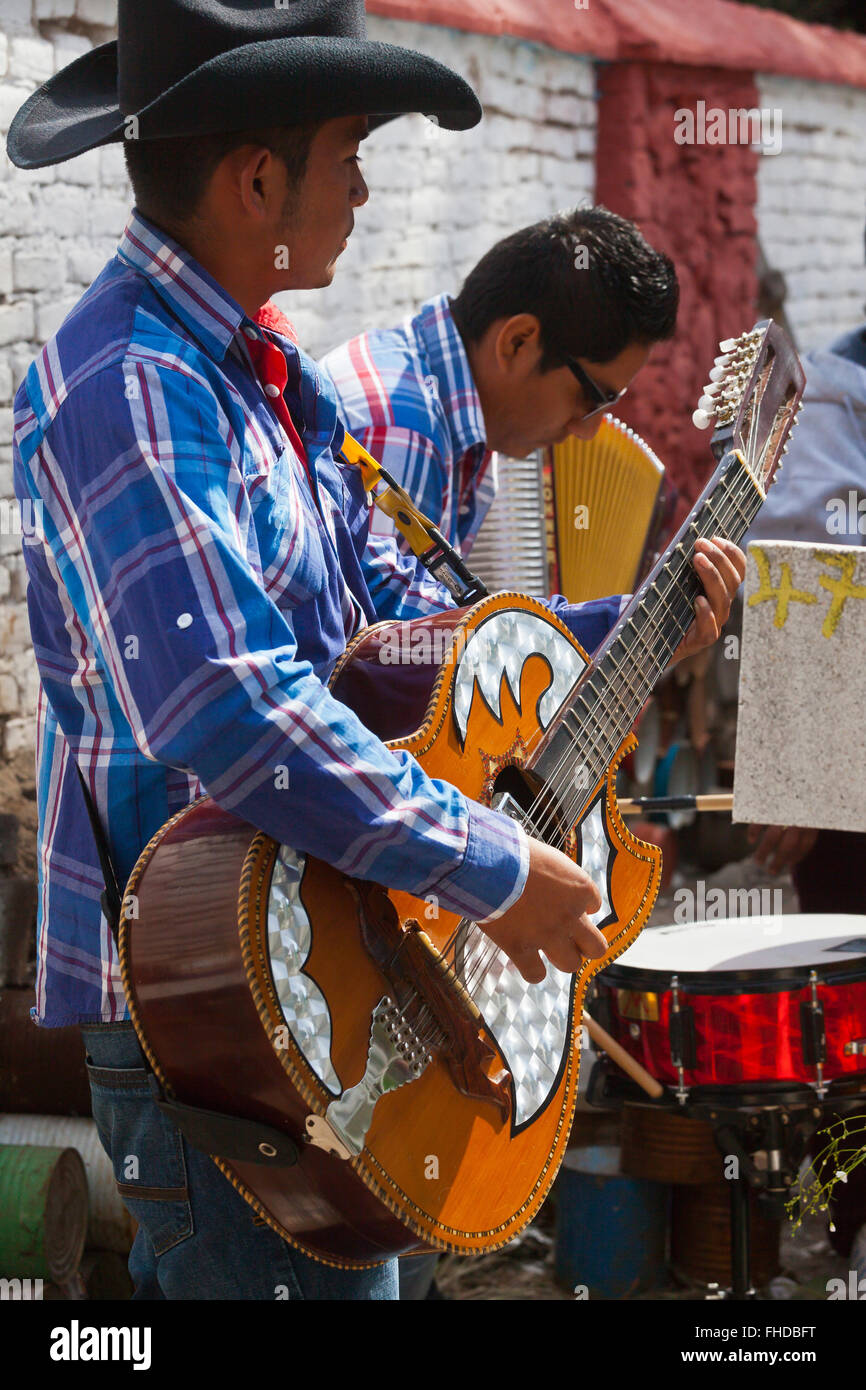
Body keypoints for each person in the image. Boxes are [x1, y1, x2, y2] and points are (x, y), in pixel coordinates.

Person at [8, 0, 744, 1301]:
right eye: (347, 151)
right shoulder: (132, 382)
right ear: (254, 182)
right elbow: (232, 709)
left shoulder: (253, 373)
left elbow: (387, 649)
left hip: (310, 971)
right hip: (218, 1014)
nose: (362, 186)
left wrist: (611, 633)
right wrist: (486, 868)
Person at [322, 206, 675, 558]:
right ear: (517, 342)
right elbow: (392, 617)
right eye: (591, 397)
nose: (588, 429)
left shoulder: (432, 389)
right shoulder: (404, 431)